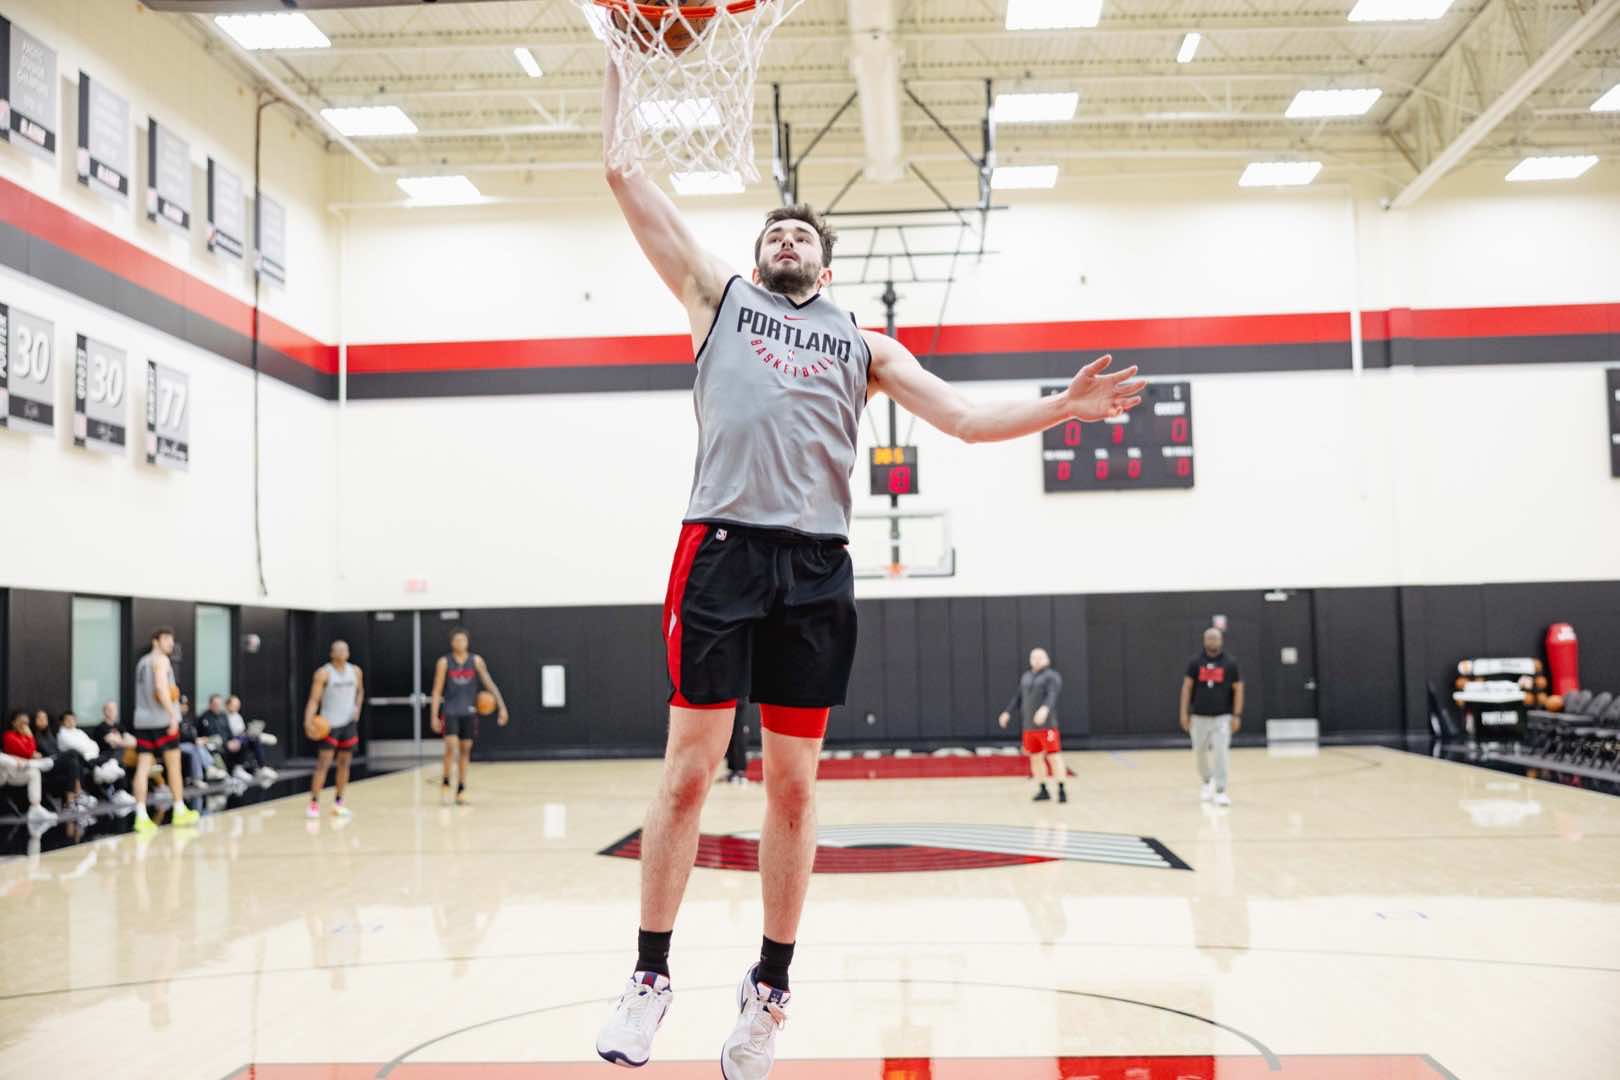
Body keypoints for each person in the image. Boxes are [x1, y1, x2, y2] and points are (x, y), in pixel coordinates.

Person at [591, 59, 1147, 1078]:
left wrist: (1061, 408)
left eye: (801, 233)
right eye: (772, 232)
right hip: (720, 546)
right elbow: (625, 174)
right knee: (688, 775)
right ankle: (650, 975)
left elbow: (971, 421)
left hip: (814, 565)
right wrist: (624, 68)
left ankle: (768, 994)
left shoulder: (864, 343)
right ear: (757, 260)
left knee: (795, 791)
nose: (785, 238)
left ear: (827, 265)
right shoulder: (715, 299)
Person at [427, 628, 509, 805]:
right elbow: (436, 690)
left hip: (469, 712)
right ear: (452, 643)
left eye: (463, 640)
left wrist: (501, 707)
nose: (460, 643)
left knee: (465, 750)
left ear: (467, 642)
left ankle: (461, 789)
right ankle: (446, 782)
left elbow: (490, 684)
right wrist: (434, 715)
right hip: (450, 711)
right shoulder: (444, 662)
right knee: (451, 747)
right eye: (457, 640)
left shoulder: (476, 661)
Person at [132, 628, 200, 832]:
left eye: (172, 639)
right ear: (156, 641)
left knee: (143, 769)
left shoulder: (141, 663)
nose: (171, 643)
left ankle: (141, 816)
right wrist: (173, 715)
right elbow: (161, 690)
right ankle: (179, 810)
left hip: (143, 721)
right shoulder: (161, 660)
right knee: (173, 767)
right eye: (167, 639)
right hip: (162, 721)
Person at [1180, 627, 1244, 807]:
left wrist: (1236, 715)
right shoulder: (1195, 662)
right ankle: (1206, 781)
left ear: (1221, 640)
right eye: (1209, 638)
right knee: (1199, 752)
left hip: (1222, 717)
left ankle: (1221, 790)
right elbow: (1187, 688)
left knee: (1221, 753)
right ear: (1204, 640)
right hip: (1199, 717)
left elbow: (1238, 689)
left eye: (1215, 638)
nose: (1212, 641)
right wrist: (1184, 713)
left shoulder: (1230, 663)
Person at [998, 647, 1068, 803]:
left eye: (1040, 657)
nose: (1036, 660)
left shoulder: (1052, 677)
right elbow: (1018, 697)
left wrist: (1044, 709)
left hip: (1047, 727)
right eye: (1033, 657)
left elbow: (1052, 695)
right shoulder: (1026, 677)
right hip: (1029, 728)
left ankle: (1061, 788)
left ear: (1047, 659)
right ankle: (1043, 789)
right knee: (1035, 758)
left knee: (1054, 756)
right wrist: (1007, 712)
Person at [305, 640, 364, 819]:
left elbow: (360, 691)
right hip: (329, 724)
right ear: (332, 653)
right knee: (323, 763)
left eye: (345, 649)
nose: (342, 652)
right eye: (338, 650)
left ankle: (338, 802)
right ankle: (314, 802)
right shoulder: (324, 673)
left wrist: (357, 709)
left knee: (344, 763)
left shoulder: (355, 671)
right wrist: (308, 722)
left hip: (348, 724)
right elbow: (314, 699)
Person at [1, 708, 57, 826]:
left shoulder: (25, 736)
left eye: (26, 722)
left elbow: (31, 751)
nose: (24, 725)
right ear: (13, 722)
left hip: (13, 773)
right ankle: (31, 764)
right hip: (6, 772)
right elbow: (29, 753)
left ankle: (35, 809)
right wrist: (25, 757)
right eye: (21, 722)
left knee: (34, 772)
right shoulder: (9, 735)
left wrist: (30, 736)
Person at [33, 710, 93, 813]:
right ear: (34, 721)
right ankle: (79, 793)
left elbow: (56, 751)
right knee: (73, 752)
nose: (43, 721)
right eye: (40, 718)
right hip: (46, 764)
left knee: (73, 762)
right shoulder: (33, 736)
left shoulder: (49, 734)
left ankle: (69, 803)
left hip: (56, 762)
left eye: (45, 718)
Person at [224, 694, 276, 782]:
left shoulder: (237, 716)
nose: (236, 707)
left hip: (241, 737)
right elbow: (227, 732)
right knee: (249, 740)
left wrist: (246, 733)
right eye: (234, 705)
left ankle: (261, 767)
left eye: (238, 705)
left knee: (254, 739)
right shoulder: (224, 717)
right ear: (228, 705)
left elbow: (241, 730)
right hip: (231, 740)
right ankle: (238, 769)